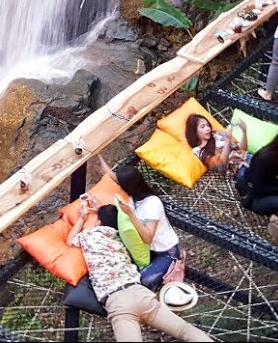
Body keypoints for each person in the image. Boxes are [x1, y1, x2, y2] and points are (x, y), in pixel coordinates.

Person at [67, 202, 213, 342]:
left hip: (118, 301)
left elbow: (70, 240)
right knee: (183, 330)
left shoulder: (90, 235)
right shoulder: (122, 239)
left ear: (98, 222)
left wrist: (81, 218)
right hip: (139, 293)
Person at [96, 156, 183, 291]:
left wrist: (131, 215)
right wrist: (98, 155)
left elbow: (148, 237)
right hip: (149, 250)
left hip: (166, 252)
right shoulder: (133, 199)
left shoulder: (152, 204)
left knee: (141, 282)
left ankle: (170, 270)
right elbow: (112, 176)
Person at [183, 114, 248, 173]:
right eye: (203, 126)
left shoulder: (216, 134)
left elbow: (242, 149)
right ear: (194, 131)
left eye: (208, 125)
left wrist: (244, 131)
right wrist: (227, 140)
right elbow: (221, 166)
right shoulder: (199, 150)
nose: (208, 128)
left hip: (246, 158)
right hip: (239, 170)